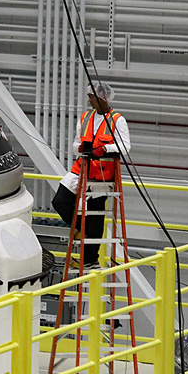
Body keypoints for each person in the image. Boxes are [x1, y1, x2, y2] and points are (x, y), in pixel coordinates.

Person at [51, 82, 130, 269]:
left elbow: (125, 146)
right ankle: (80, 228)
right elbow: (75, 143)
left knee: (96, 214)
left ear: (102, 98)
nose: (89, 100)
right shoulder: (86, 118)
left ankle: (89, 259)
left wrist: (104, 148)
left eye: (92, 97)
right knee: (60, 200)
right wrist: (80, 148)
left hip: (102, 174)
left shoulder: (117, 120)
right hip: (81, 169)